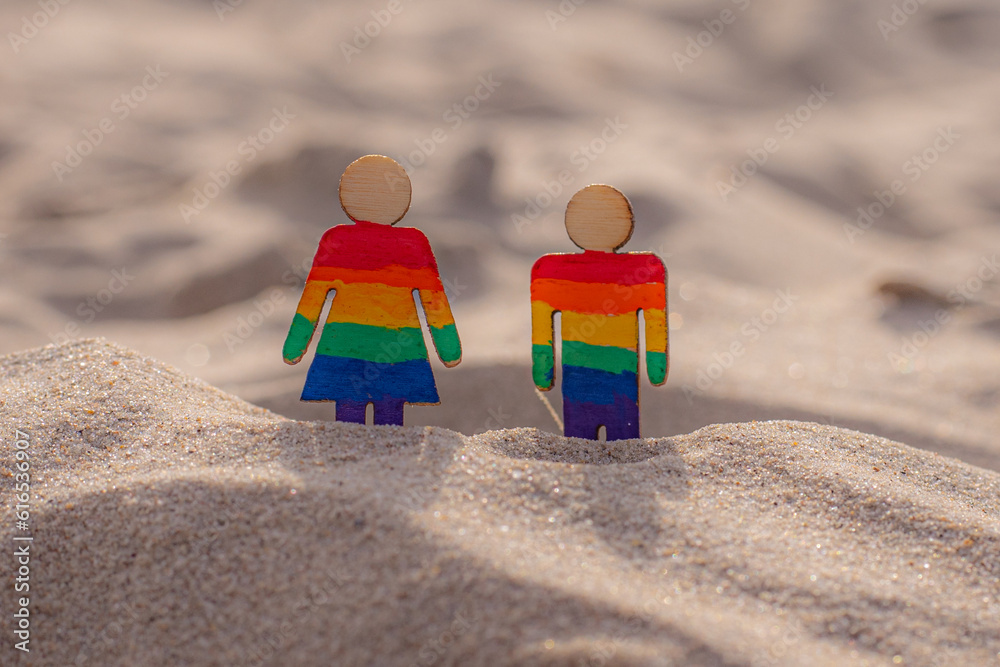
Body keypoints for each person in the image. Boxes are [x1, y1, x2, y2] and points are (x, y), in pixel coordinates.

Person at [282, 155, 461, 426]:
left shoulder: (336, 241)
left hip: (343, 349)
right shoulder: (413, 244)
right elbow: (435, 304)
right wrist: (449, 349)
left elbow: (311, 301)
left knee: (350, 412)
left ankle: (351, 457)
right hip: (399, 350)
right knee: (389, 414)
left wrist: (295, 346)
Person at [531, 184, 667, 440]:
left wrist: (542, 369)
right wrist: (656, 364)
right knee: (601, 433)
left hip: (599, 376)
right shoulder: (646, 269)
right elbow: (654, 323)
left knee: (598, 433)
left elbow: (541, 335)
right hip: (603, 377)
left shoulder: (549, 271)